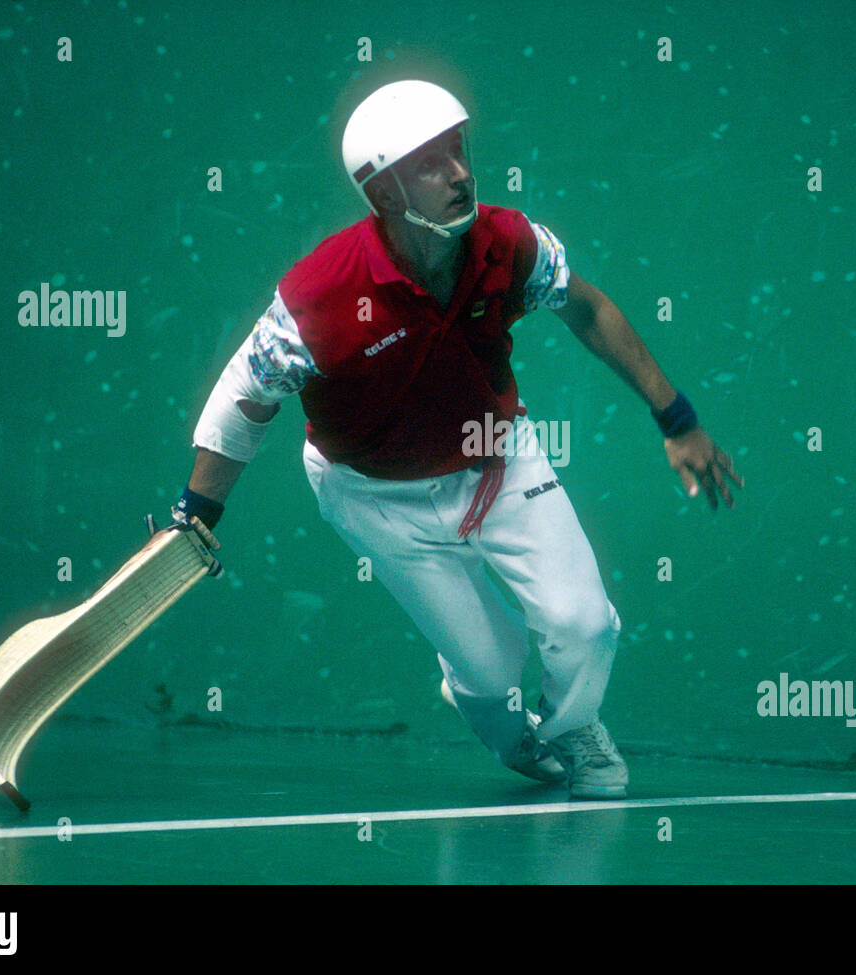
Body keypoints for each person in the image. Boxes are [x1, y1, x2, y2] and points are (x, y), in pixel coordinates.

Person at [171, 80, 741, 799]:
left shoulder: (507, 242)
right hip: (374, 494)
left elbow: (587, 309)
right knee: (493, 669)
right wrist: (197, 511)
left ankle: (573, 728)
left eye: (459, 151)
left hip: (496, 456)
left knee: (584, 622)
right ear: (383, 193)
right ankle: (513, 737)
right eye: (431, 163)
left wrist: (677, 418)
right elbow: (242, 401)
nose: (461, 172)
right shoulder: (317, 297)